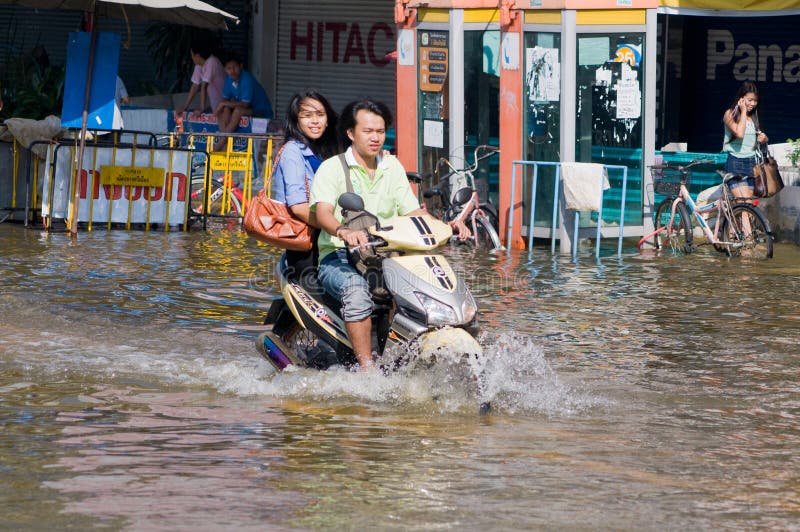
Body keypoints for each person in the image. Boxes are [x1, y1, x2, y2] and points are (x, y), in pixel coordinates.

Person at [310, 98, 470, 371]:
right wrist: (343, 231)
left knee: (431, 289)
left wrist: (447, 225)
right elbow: (322, 212)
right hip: (340, 255)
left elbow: (412, 212)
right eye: (368, 131)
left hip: (387, 255)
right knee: (356, 292)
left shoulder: (391, 166)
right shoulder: (332, 168)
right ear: (351, 133)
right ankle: (368, 370)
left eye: (380, 131)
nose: (375, 138)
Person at [271, 90, 340, 286]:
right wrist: (338, 228)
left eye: (320, 114)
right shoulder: (293, 151)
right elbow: (298, 206)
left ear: (328, 119)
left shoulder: (325, 150)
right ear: (296, 120)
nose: (315, 121)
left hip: (326, 235)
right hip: (305, 240)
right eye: (307, 115)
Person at [214, 54, 273, 150]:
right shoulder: (228, 79)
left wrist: (223, 103)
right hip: (246, 109)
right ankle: (225, 145)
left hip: (260, 111)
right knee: (225, 109)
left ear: (241, 66)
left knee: (237, 111)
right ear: (225, 69)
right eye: (229, 68)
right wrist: (223, 105)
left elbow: (245, 104)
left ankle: (220, 144)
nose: (232, 71)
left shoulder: (246, 78)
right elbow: (225, 99)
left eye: (235, 67)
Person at [722, 80, 769, 200]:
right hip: (735, 163)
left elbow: (758, 139)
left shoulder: (754, 117)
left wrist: (764, 138)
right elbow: (740, 133)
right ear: (741, 99)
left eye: (755, 101)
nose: (753, 104)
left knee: (747, 206)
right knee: (745, 202)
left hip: (752, 164)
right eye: (750, 100)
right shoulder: (730, 114)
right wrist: (743, 110)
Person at [175, 41, 225, 119]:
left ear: (197, 55)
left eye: (192, 55)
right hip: (215, 105)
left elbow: (204, 86)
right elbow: (195, 86)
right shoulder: (199, 65)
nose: (192, 58)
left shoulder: (212, 61)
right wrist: (185, 107)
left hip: (225, 103)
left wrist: (202, 107)